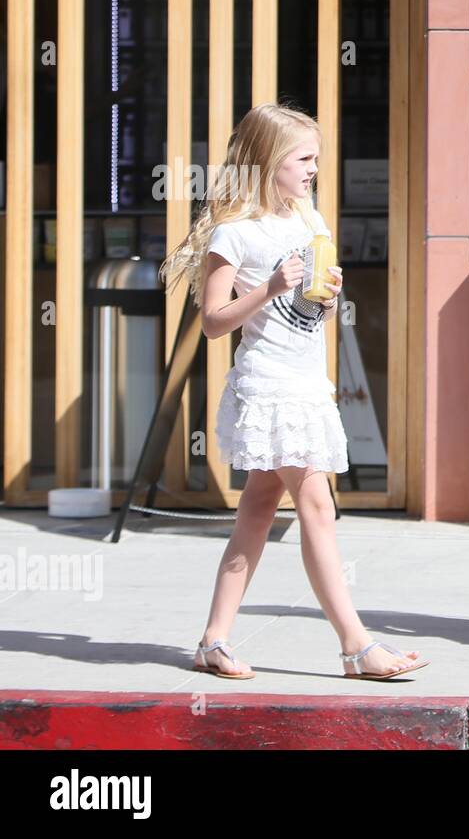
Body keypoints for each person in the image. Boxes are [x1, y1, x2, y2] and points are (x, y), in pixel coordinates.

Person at [159, 102, 428, 681]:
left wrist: (322, 297)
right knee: (317, 508)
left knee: (257, 509)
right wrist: (274, 286)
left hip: (307, 380)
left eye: (316, 159)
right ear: (270, 160)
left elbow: (313, 307)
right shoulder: (235, 235)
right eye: (304, 158)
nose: (313, 169)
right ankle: (357, 646)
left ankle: (213, 640)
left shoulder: (309, 219)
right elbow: (212, 322)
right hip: (269, 385)